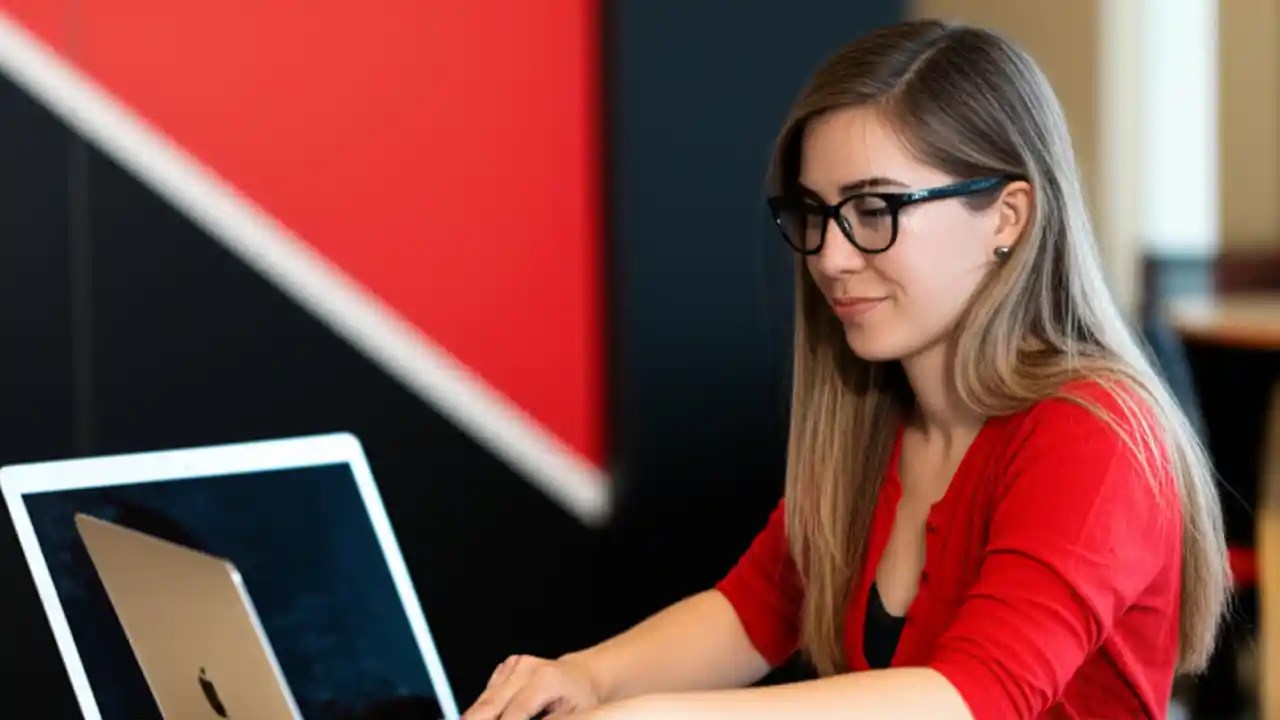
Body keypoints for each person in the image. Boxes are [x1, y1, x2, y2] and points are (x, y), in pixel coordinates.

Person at [462, 19, 1229, 720]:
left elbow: (980, 695)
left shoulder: (1095, 435)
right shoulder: (874, 422)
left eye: (874, 209)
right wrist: (587, 678)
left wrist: (661, 714)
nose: (830, 256)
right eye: (816, 213)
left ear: (1008, 216)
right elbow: (753, 610)